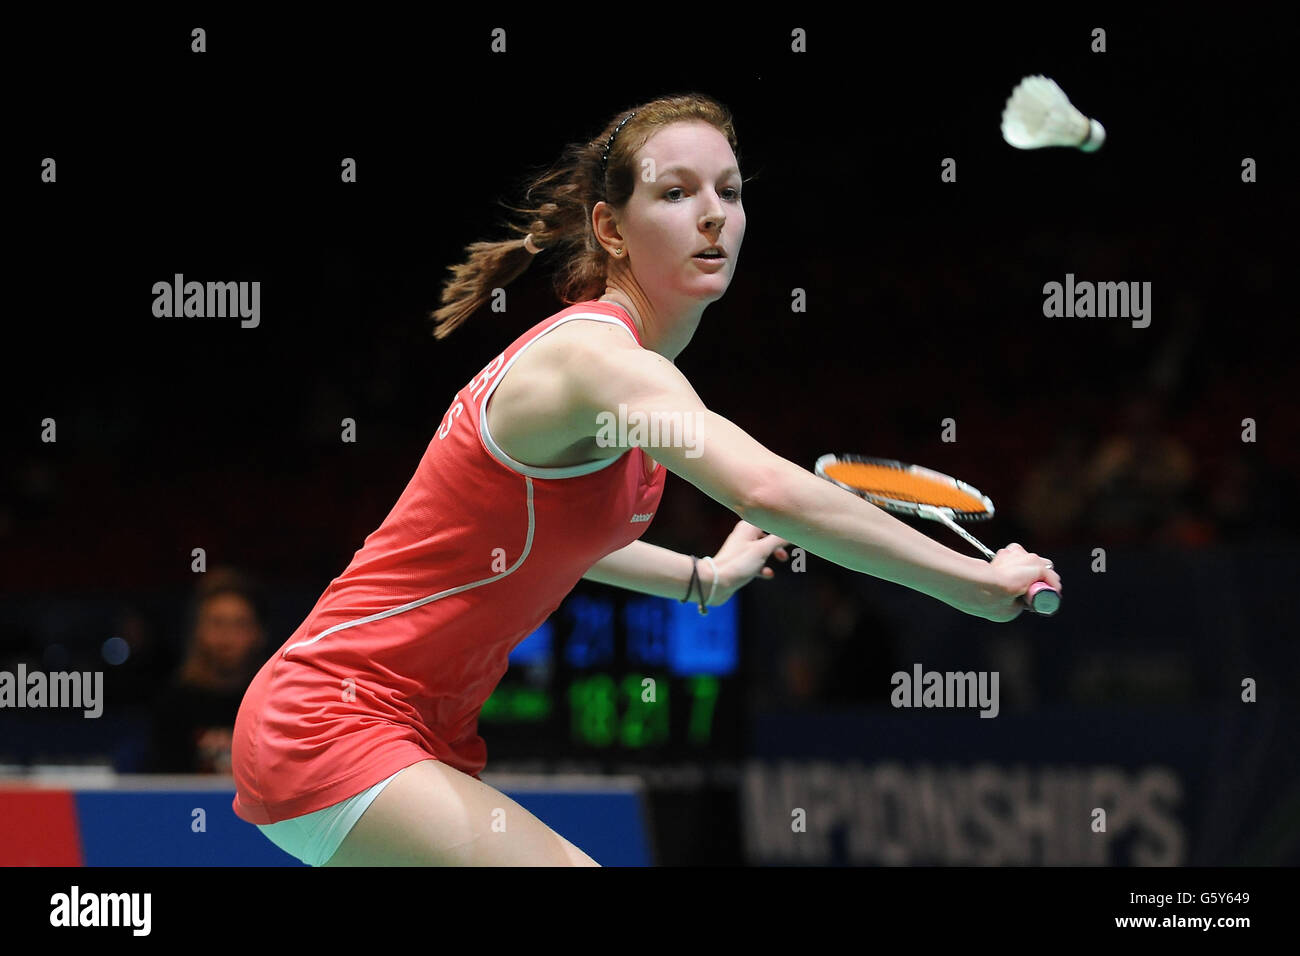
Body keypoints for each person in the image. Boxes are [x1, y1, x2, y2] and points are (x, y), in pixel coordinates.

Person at [231, 92, 1062, 867]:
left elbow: (560, 545)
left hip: (422, 731)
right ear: (612, 228)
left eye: (730, 191)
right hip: (331, 719)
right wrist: (971, 582)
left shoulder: (623, 383)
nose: (713, 214)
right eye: (676, 193)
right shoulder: (598, 362)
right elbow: (765, 490)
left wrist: (705, 579)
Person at [153, 568, 266, 773]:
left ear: (257, 633)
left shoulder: (275, 702)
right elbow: (163, 784)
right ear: (198, 630)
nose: (227, 637)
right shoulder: (174, 702)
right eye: (217, 623)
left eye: (239, 624)